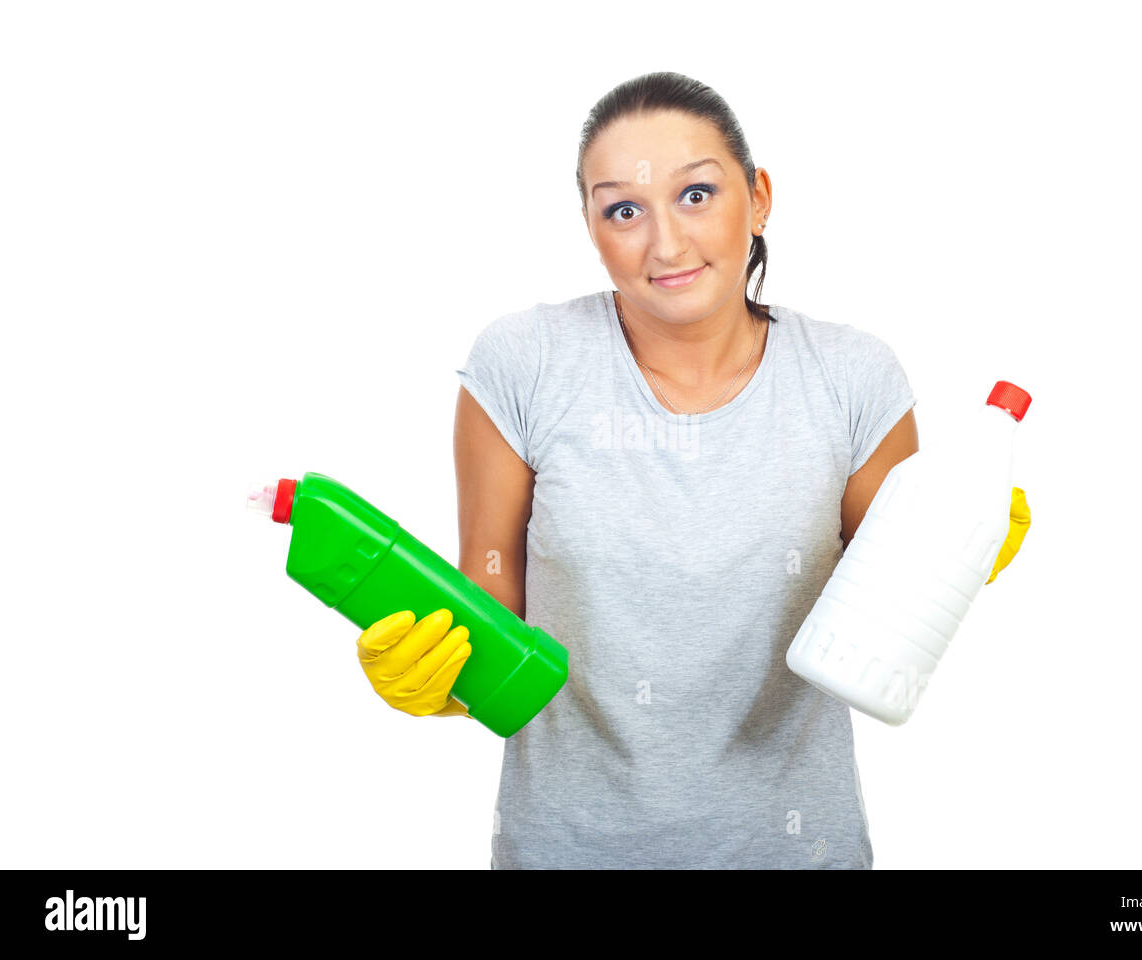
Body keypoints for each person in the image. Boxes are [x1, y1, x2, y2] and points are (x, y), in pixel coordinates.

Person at [358, 71, 1030, 868]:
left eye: (698, 195)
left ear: (760, 197)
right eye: (623, 209)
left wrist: (954, 553)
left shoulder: (854, 377)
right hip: (568, 850)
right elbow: (491, 623)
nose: (667, 243)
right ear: (589, 226)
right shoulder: (524, 363)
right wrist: (436, 680)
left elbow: (883, 608)